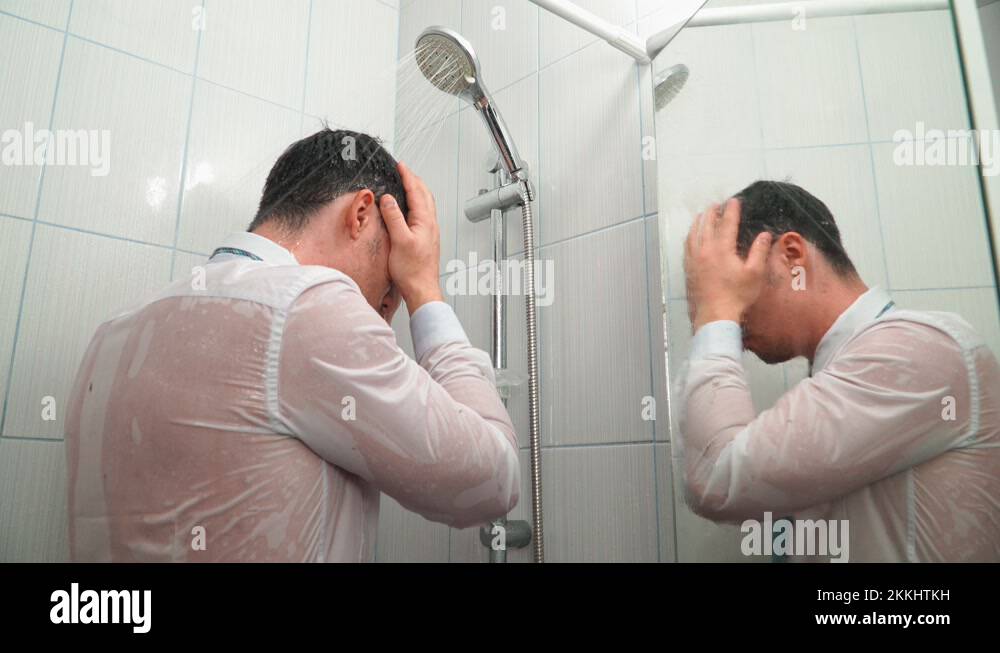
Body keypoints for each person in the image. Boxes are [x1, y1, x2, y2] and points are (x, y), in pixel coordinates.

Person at [64, 128, 519, 562]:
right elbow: (491, 480)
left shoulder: (115, 331)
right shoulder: (307, 307)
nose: (387, 305)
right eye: (391, 277)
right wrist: (423, 287)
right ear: (362, 214)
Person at [679, 180, 1000, 562]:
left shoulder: (914, 350)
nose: (736, 330)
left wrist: (714, 316)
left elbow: (720, 478)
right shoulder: (847, 370)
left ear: (792, 254)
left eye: (734, 288)